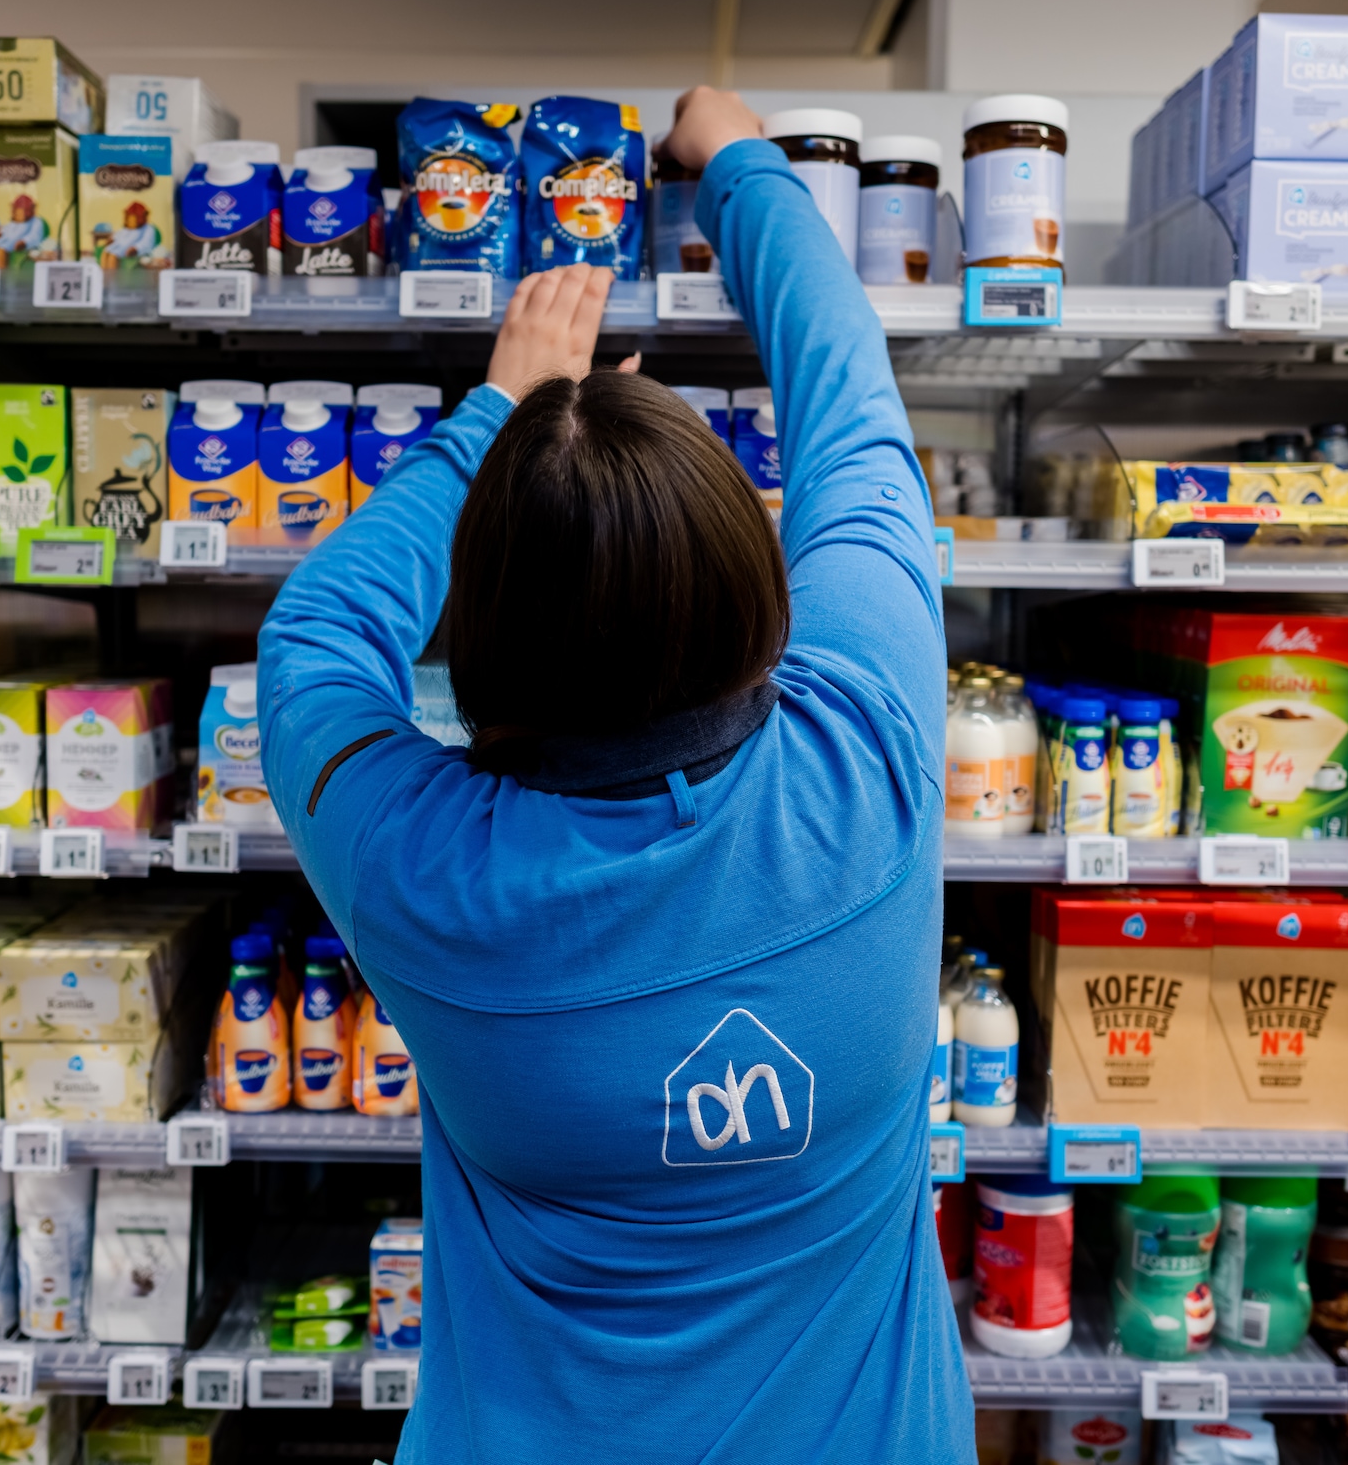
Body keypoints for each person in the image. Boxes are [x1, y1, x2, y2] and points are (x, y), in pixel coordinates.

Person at [258, 86, 960, 1463]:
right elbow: (850, 395)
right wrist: (734, 158)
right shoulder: (869, 750)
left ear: (478, 647)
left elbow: (317, 635)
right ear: (761, 589)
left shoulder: (421, 871)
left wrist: (499, 411)